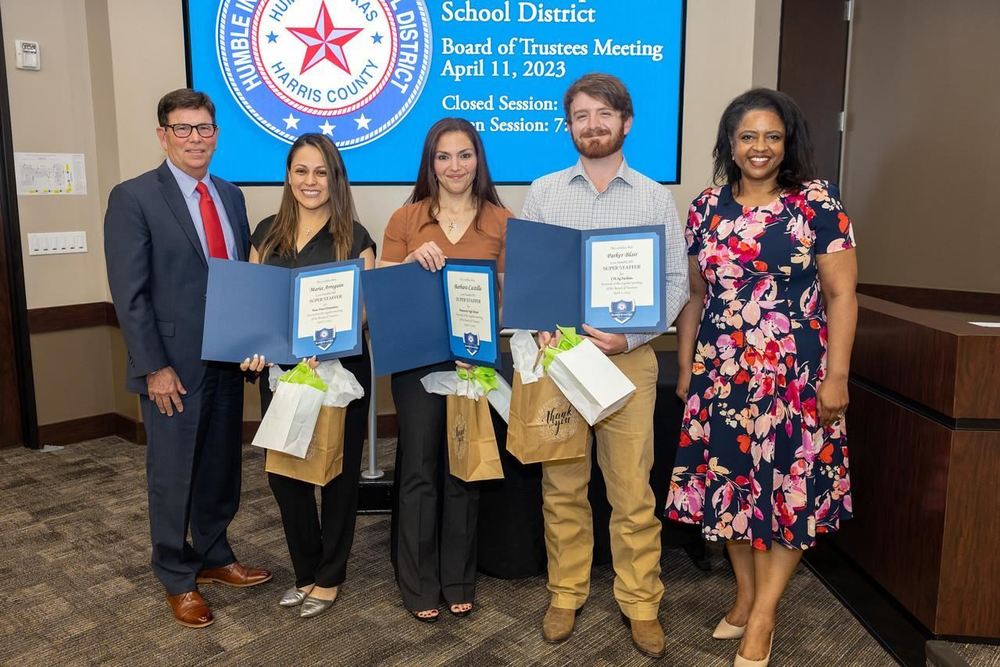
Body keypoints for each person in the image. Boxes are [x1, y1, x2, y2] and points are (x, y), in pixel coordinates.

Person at [667, 88, 857, 667]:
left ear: (787, 143)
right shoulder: (704, 208)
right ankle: (745, 595)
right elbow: (696, 297)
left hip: (796, 374)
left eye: (772, 137)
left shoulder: (816, 204)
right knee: (729, 488)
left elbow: (842, 292)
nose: (760, 147)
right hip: (721, 374)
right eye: (748, 136)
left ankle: (767, 614)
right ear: (730, 142)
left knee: (786, 492)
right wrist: (684, 366)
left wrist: (838, 375)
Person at [520, 73, 688, 658]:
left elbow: (673, 283)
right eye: (580, 116)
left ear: (626, 122)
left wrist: (629, 335)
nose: (591, 125)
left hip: (629, 362)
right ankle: (565, 592)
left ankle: (641, 602)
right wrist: (542, 320)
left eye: (602, 115)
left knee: (631, 490)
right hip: (560, 362)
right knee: (562, 485)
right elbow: (531, 274)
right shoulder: (544, 191)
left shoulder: (652, 196)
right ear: (568, 126)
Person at [104, 89, 270, 628]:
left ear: (216, 134)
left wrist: (251, 338)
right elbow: (130, 295)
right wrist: (154, 366)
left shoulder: (231, 194)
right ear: (162, 135)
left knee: (221, 466)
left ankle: (215, 556)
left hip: (227, 358)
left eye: (203, 128)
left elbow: (240, 279)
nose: (195, 138)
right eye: (183, 129)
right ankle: (177, 575)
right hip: (172, 366)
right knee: (172, 472)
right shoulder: (133, 198)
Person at [379, 117, 511, 623]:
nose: (454, 166)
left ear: (478, 161)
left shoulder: (500, 219)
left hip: (474, 360)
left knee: (464, 466)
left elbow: (509, 298)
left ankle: (458, 578)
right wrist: (412, 260)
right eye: (443, 156)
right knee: (417, 469)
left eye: (464, 155)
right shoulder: (406, 218)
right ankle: (417, 583)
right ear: (429, 163)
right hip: (417, 360)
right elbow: (383, 292)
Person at [240, 134, 375, 618]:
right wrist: (252, 351)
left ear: (334, 178)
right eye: (301, 171)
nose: (310, 181)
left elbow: (360, 315)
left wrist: (324, 344)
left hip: (338, 373)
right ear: (288, 176)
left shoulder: (354, 237)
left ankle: (330, 576)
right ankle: (306, 571)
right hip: (280, 374)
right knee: (286, 476)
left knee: (336, 473)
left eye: (321, 172)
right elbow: (254, 307)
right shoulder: (265, 233)